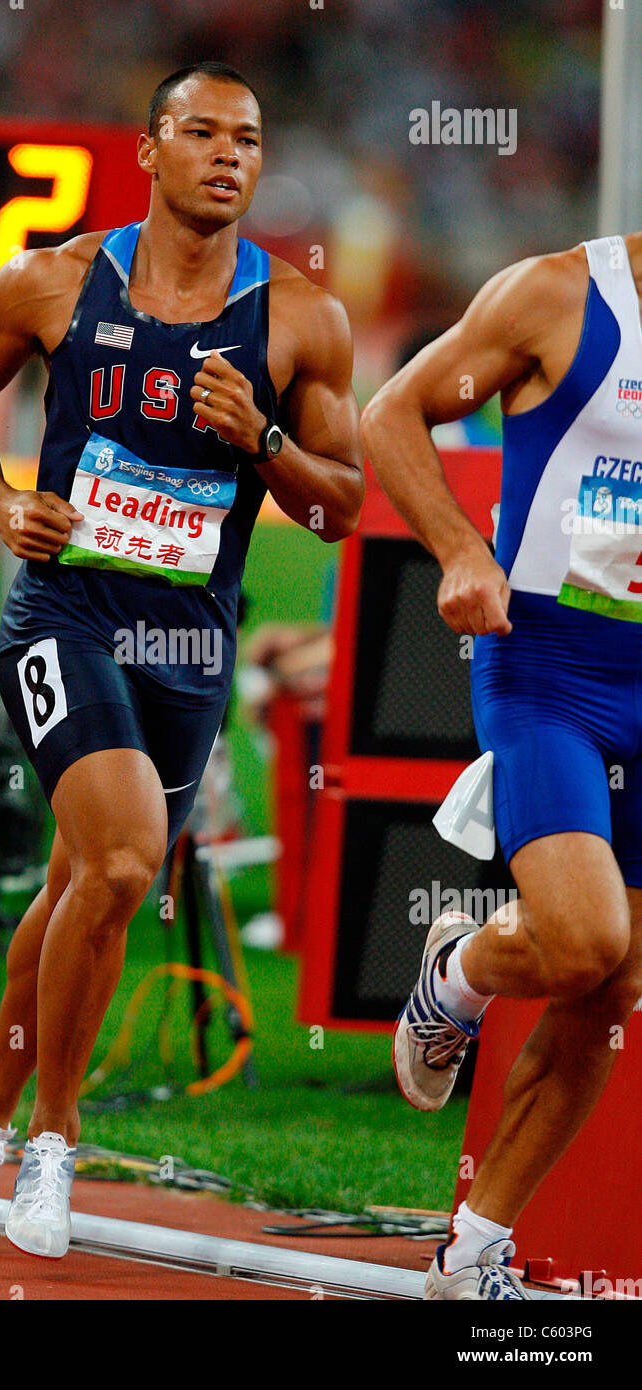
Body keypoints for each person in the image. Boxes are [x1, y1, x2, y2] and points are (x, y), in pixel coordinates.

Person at [0, 60, 363, 1260]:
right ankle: (54, 1142)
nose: (230, 155)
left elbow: (341, 508)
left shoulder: (301, 321)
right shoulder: (55, 281)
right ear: (149, 150)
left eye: (250, 140)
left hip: (186, 643)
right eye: (204, 132)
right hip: (62, 618)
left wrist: (260, 438)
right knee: (120, 867)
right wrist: (1, 504)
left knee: (79, 884)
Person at [361, 232, 642, 1299]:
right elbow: (388, 411)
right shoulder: (556, 296)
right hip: (547, 669)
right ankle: (460, 971)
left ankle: (473, 1249)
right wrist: (459, 551)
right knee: (584, 939)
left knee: (612, 981)